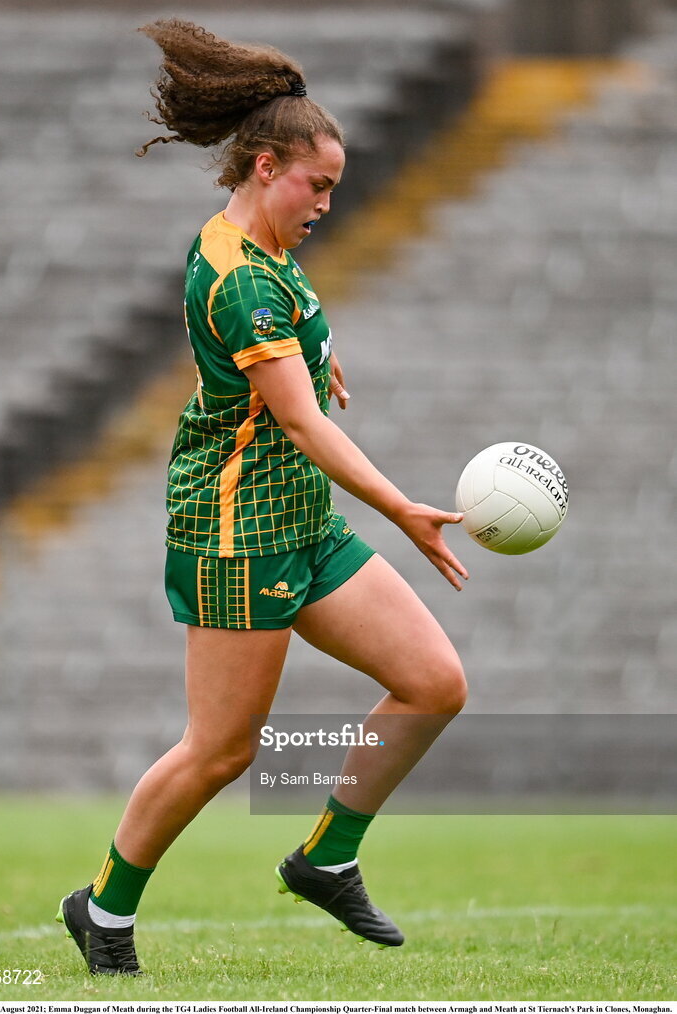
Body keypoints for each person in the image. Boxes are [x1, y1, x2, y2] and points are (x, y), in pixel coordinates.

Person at [56, 17, 469, 976]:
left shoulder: (264, 249)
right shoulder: (240, 275)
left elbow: (287, 367)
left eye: (333, 188)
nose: (326, 202)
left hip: (299, 522)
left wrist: (316, 361)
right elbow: (298, 425)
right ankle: (103, 909)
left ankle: (325, 856)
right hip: (236, 530)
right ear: (265, 164)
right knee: (221, 750)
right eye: (316, 184)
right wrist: (402, 507)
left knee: (433, 684)